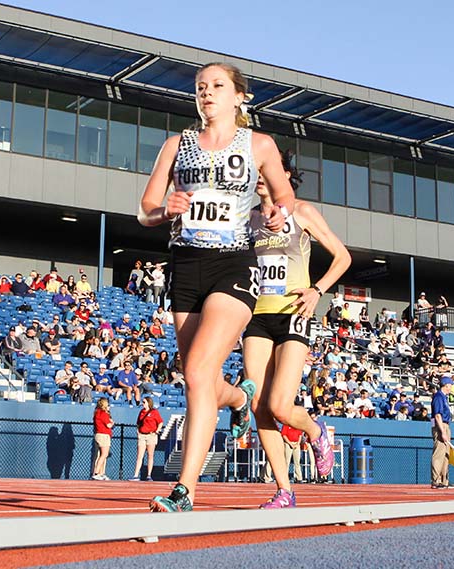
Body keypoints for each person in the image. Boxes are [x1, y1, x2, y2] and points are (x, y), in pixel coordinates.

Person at [138, 62, 294, 512]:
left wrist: (278, 214)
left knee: (196, 372)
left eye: (217, 86)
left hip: (234, 265)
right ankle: (240, 396)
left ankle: (184, 490)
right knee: (199, 381)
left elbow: (283, 197)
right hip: (186, 265)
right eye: (200, 87)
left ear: (239, 96)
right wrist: (165, 208)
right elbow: (144, 210)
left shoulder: (260, 144)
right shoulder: (176, 145)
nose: (207, 94)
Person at [243, 149, 349, 508]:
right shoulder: (249, 218)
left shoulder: (302, 212)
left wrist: (318, 290)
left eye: (267, 170)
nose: (260, 176)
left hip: (294, 312)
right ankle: (284, 490)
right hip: (257, 315)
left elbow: (343, 256)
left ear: (285, 176)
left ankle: (315, 432)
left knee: (280, 406)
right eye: (256, 171)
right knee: (258, 404)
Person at [131, 397, 164, 481]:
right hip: (142, 435)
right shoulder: (141, 412)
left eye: (144, 402)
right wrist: (138, 432)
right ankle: (135, 475)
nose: (143, 403)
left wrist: (157, 431)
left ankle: (149, 475)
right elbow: (138, 423)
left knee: (150, 455)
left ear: (149, 403)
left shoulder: (154, 412)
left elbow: (160, 422)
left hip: (151, 435)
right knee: (139, 455)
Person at [430, 376, 454, 490]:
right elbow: (437, 415)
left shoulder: (444, 397)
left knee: (446, 454)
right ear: (446, 385)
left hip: (445, 425)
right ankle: (436, 480)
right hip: (441, 426)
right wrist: (442, 431)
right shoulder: (439, 397)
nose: (451, 388)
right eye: (450, 385)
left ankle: (444, 480)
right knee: (439, 454)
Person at [91, 397, 113, 481]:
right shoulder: (103, 413)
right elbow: (108, 425)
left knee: (101, 455)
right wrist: (112, 422)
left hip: (98, 435)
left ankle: (101, 473)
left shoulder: (97, 413)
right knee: (104, 454)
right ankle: (96, 472)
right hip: (103, 435)